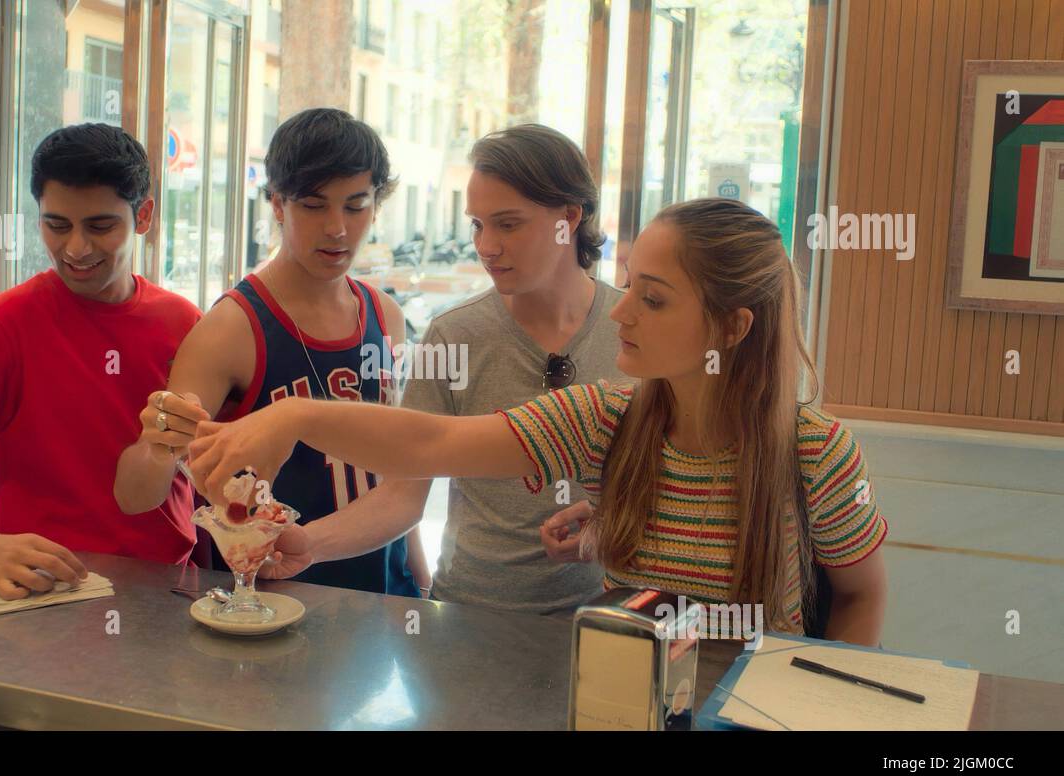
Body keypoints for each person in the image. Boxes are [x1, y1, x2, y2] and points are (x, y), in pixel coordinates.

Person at [187, 198, 890, 644]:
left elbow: (860, 594)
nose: (620, 311)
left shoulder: (817, 450)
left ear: (733, 327)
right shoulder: (608, 417)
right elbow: (432, 443)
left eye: (654, 299)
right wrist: (297, 415)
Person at [269, 124, 625, 614]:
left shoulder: (635, 331)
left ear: (568, 217)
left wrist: (612, 527)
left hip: (607, 621)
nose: (486, 246)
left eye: (507, 224)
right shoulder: (454, 334)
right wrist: (308, 545)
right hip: (468, 619)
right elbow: (403, 493)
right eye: (478, 225)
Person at [114, 107, 421, 596]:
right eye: (314, 206)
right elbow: (135, 496)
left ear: (377, 204)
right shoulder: (231, 329)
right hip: (268, 607)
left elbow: (400, 473)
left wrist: (419, 576)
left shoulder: (387, 316)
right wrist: (157, 446)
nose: (338, 228)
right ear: (277, 204)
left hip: (384, 593)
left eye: (356, 205)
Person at [0, 123, 204, 600]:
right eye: (57, 226)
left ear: (144, 217)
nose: (76, 248)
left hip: (170, 589)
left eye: (100, 226)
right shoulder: (1, 327)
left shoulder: (185, 323)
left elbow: (221, 472)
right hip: (45, 590)